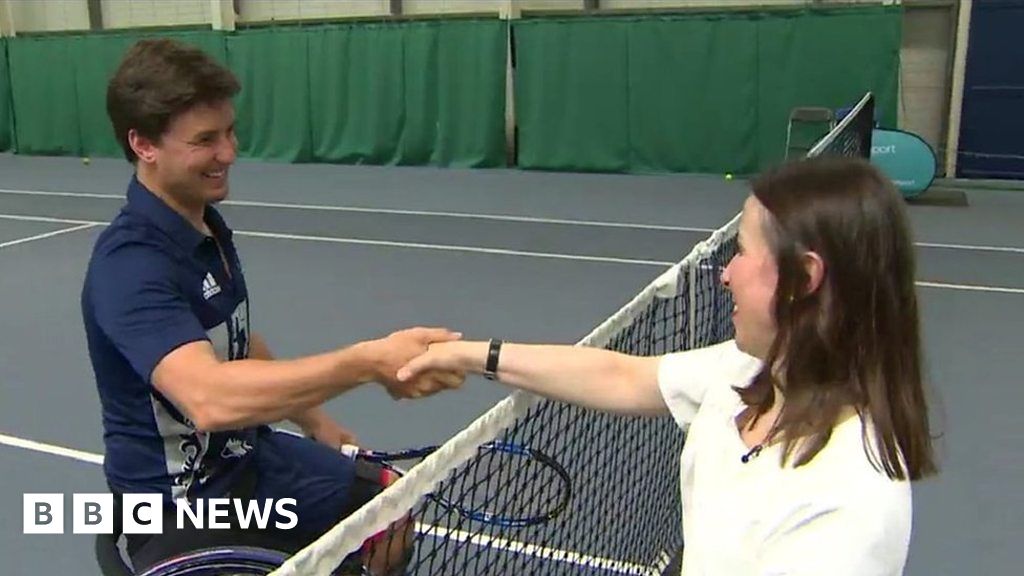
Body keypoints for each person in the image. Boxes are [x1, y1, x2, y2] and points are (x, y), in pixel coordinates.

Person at [398, 157, 938, 575]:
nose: (725, 273)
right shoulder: (750, 373)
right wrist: (468, 354)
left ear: (804, 277)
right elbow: (623, 375)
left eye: (744, 252)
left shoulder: (849, 505)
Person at [81, 38, 461, 574]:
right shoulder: (130, 266)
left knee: (389, 506)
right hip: (178, 507)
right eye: (206, 140)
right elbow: (210, 399)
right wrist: (366, 363)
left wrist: (316, 421)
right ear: (144, 145)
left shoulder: (204, 223)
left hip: (247, 461)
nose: (229, 153)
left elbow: (237, 342)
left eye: (230, 132)